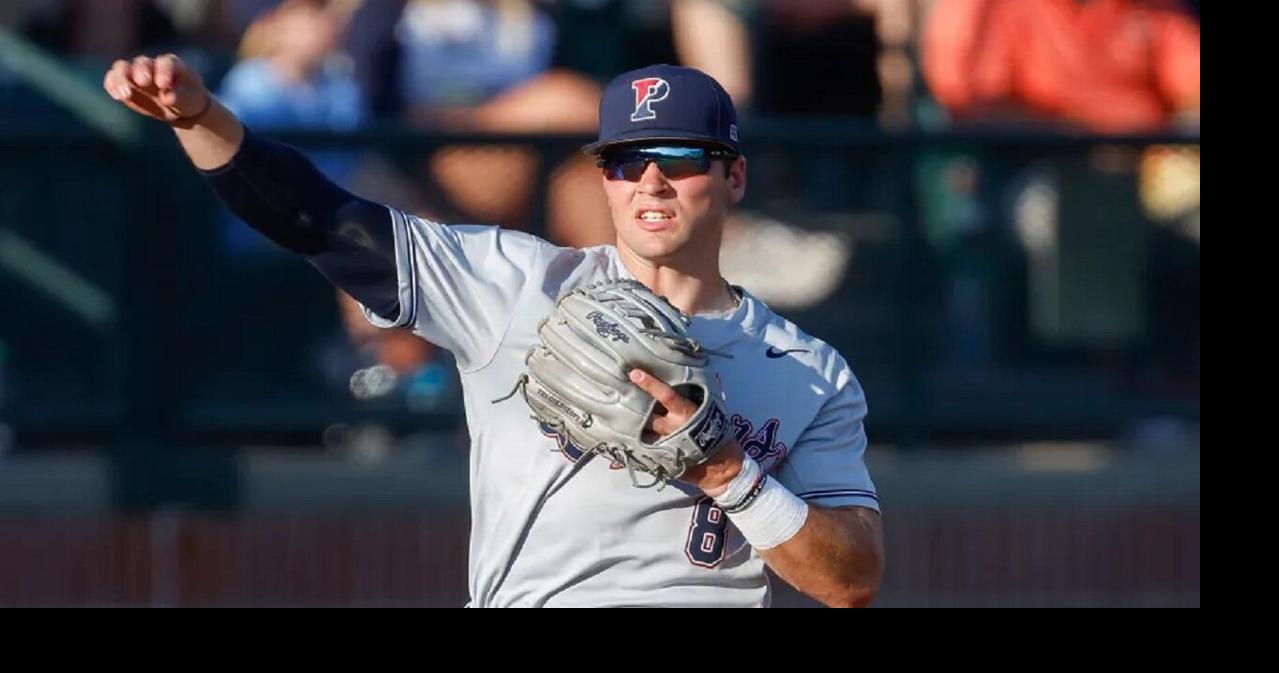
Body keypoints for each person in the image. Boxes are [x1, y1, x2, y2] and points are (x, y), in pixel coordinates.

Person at [102, 55, 883, 607]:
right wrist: (200, 118)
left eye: (678, 157)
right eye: (624, 159)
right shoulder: (518, 284)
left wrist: (726, 471)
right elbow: (322, 221)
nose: (649, 180)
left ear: (732, 175)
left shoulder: (808, 369)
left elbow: (851, 578)